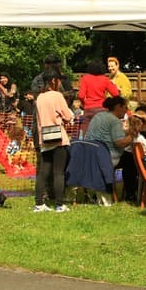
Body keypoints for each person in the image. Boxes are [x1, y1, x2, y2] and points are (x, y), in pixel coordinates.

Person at [73, 95, 130, 206]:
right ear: (118, 106)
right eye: (125, 107)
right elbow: (120, 142)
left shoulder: (99, 116)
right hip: (106, 157)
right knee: (131, 161)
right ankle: (130, 193)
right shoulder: (115, 121)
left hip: (89, 155)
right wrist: (134, 134)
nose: (126, 110)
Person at [32, 72, 74, 212]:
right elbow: (67, 115)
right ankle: (60, 204)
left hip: (44, 137)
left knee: (43, 172)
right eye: (59, 81)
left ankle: (39, 204)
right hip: (58, 138)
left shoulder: (39, 98)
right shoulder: (57, 96)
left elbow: (38, 121)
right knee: (58, 173)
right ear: (53, 81)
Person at [77, 59, 120, 127]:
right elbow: (116, 94)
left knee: (87, 133)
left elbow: (81, 96)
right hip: (102, 108)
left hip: (89, 109)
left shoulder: (85, 78)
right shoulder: (105, 79)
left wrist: (84, 103)